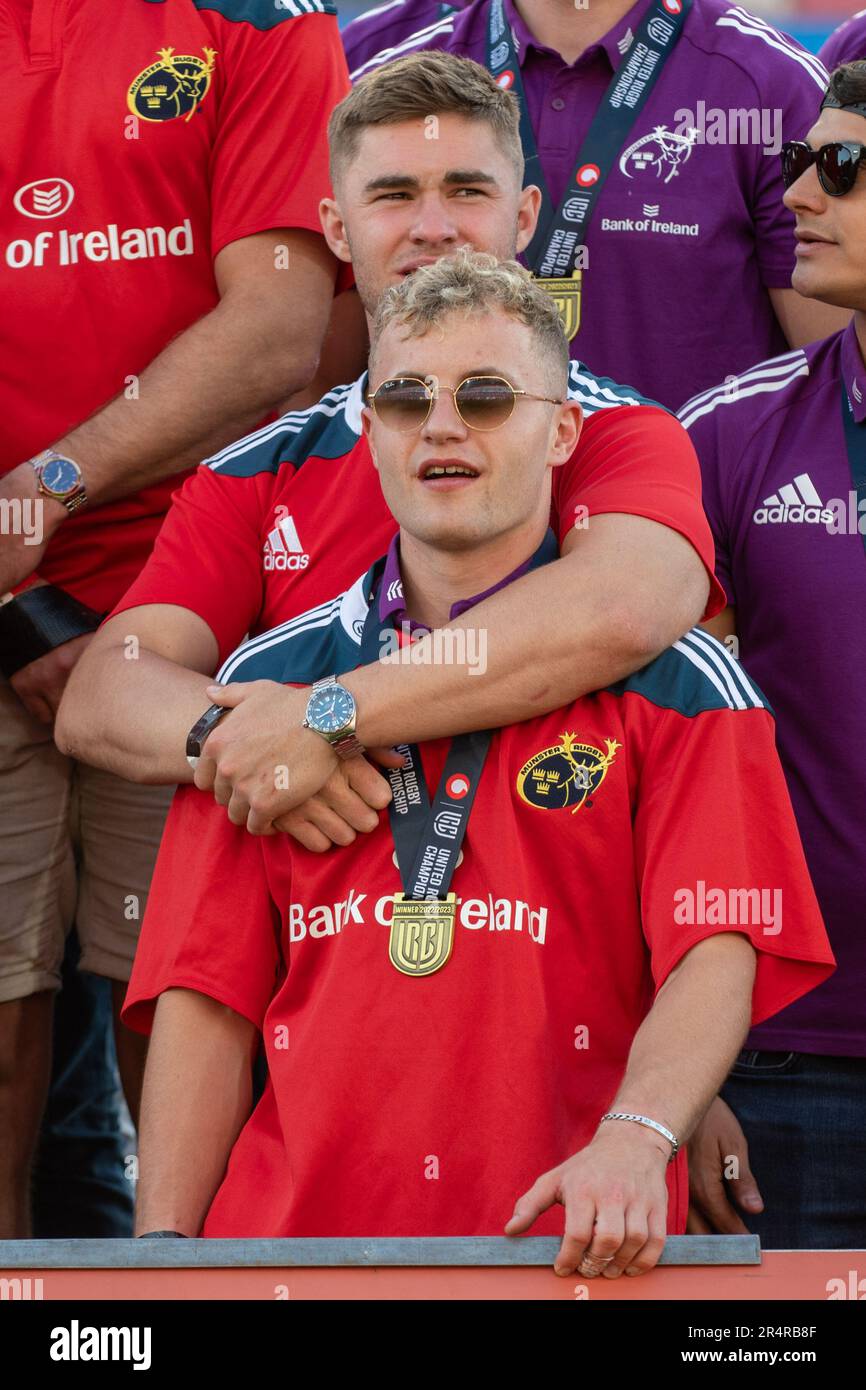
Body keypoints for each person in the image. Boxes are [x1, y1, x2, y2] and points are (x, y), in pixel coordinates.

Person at [122, 254, 833, 1265]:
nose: (442, 426)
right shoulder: (265, 689)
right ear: (368, 432)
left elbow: (715, 948)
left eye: (487, 397)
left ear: (563, 433)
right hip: (288, 1260)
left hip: (574, 1249)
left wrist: (637, 1138)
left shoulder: (679, 683)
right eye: (404, 399)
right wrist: (162, 1249)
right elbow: (207, 995)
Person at [57, 52, 722, 853]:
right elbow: (104, 690)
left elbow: (625, 607)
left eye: (468, 191)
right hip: (305, 915)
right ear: (336, 228)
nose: (433, 226)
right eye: (394, 195)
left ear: (525, 218)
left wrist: (321, 721)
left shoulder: (614, 430)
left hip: (555, 908)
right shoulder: (260, 469)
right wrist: (243, 748)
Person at [0, 0, 348, 1238]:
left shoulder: (254, 20)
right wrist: (26, 614)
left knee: (194, 1013)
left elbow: (274, 332)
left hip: (202, 623)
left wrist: (49, 490)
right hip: (14, 616)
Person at [680, 60, 866, 1248]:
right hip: (792, 1056)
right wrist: (673, 1082)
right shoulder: (727, 434)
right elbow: (660, 775)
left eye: (840, 167)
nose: (795, 192)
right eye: (799, 158)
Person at [349, 0, 850, 410]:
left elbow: (837, 385)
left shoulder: (772, 84)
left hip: (693, 519)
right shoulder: (372, 62)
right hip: (436, 512)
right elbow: (318, 379)